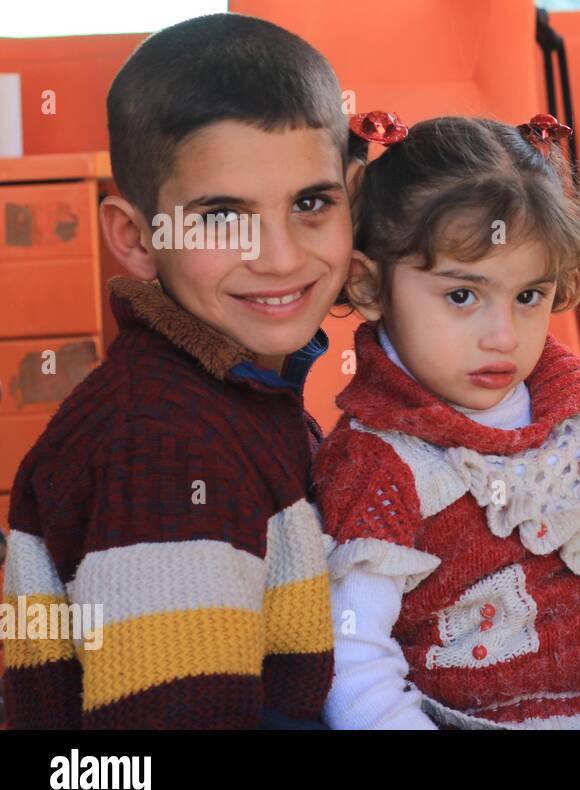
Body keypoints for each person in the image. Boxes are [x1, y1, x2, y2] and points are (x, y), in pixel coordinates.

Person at [2, 13, 356, 728]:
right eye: (224, 216)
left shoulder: (242, 391)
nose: (282, 257)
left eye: (311, 204)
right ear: (135, 239)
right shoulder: (162, 445)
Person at [316, 113, 580, 728]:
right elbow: (353, 661)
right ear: (370, 287)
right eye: (462, 296)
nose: (502, 337)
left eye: (529, 296)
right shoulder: (382, 462)